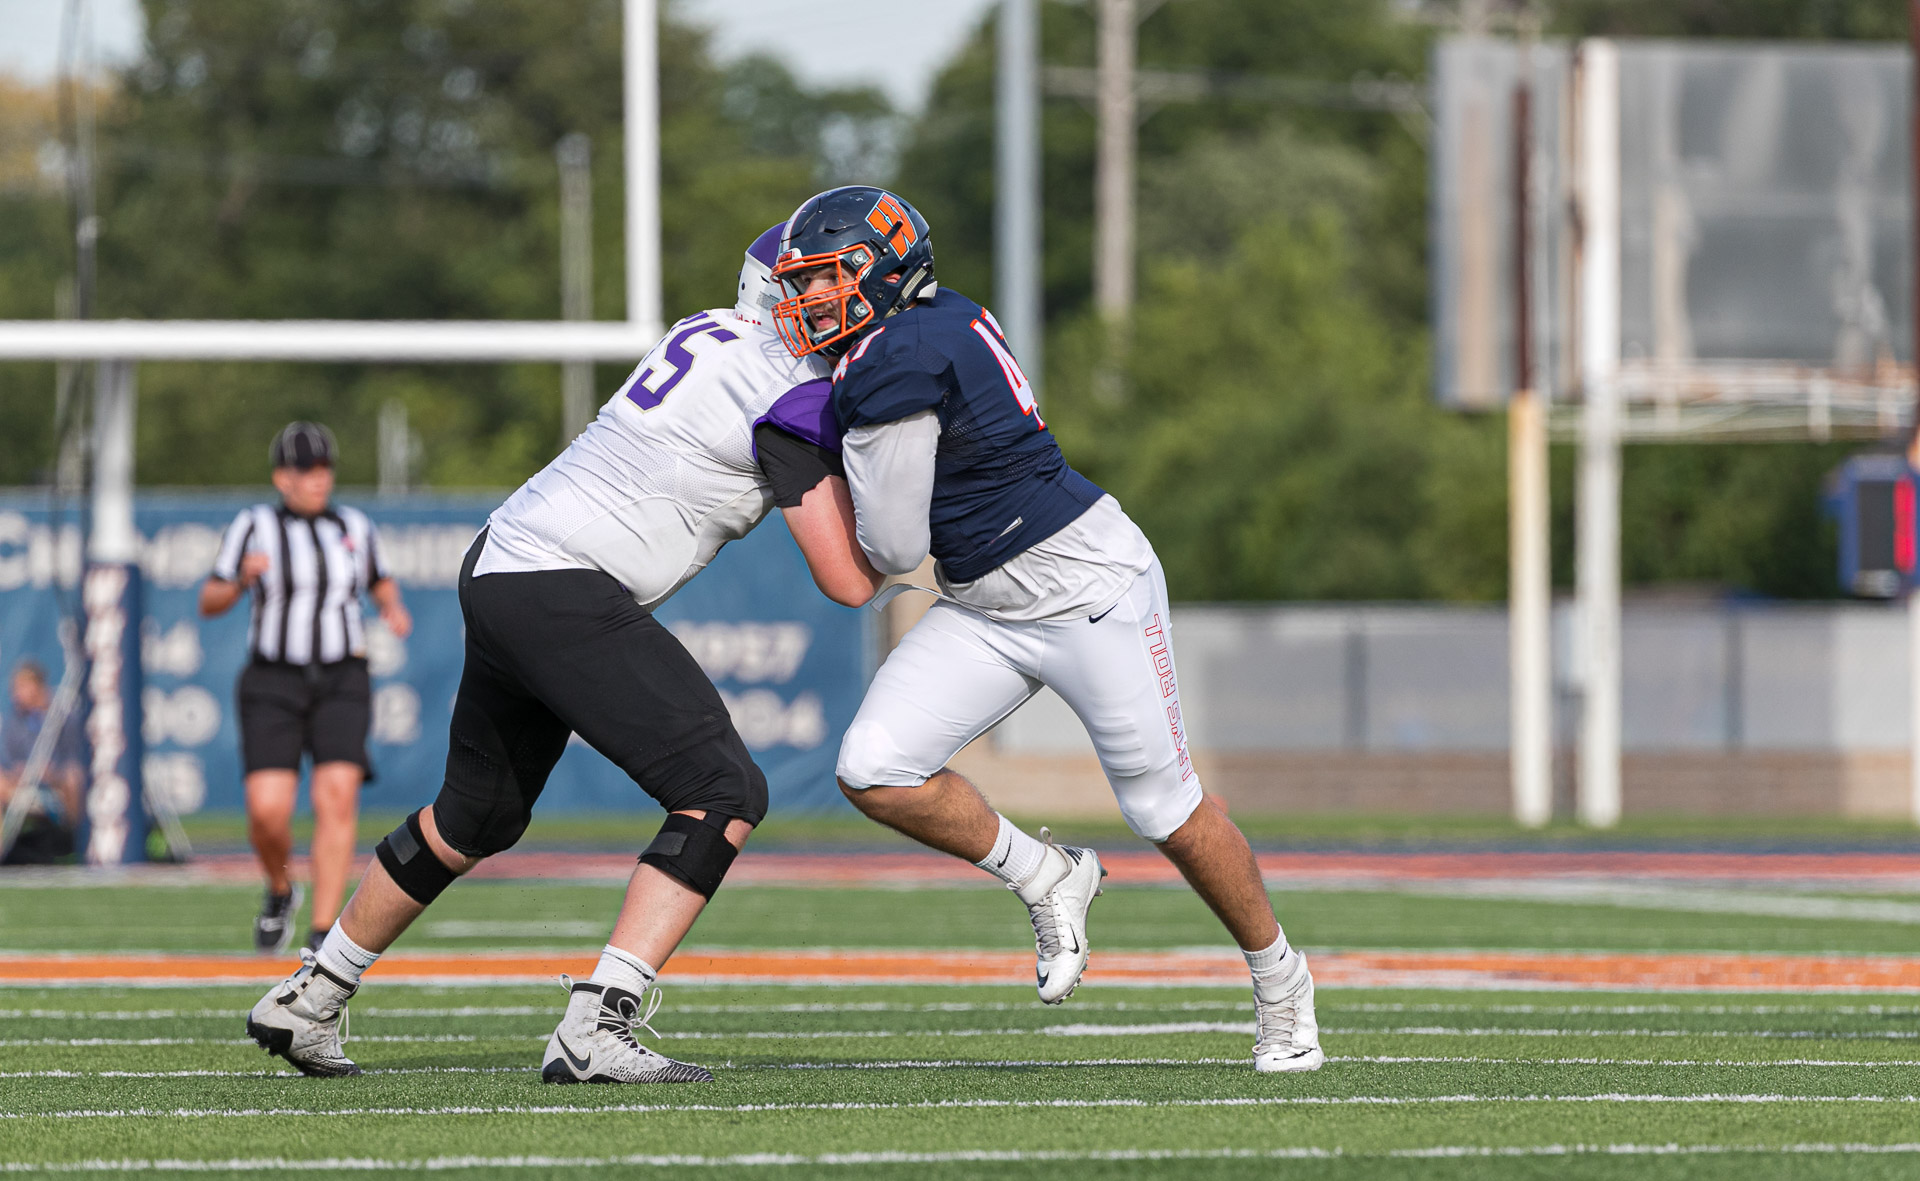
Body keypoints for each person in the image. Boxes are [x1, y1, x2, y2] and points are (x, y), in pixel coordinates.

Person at [242, 226, 880, 1081]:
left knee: (476, 817)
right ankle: (597, 1024)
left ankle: (310, 998)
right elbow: (846, 580)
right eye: (827, 283)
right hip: (562, 581)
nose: (842, 301)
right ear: (780, 291)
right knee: (723, 789)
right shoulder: (787, 389)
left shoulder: (709, 332)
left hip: (504, 558)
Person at [769, 186, 1323, 1072]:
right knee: (873, 767)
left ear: (880, 271)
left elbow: (894, 544)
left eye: (825, 278)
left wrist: (810, 457)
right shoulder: (924, 323)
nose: (805, 303)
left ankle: (1283, 982)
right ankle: (1047, 874)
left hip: (1088, 589)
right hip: (986, 602)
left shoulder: (895, 356)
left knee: (1166, 808)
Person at [200, 423, 412, 953]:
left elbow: (378, 577)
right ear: (282, 478)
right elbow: (209, 599)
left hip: (342, 674)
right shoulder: (252, 526)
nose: (318, 480)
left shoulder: (355, 526)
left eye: (324, 469)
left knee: (336, 796)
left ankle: (322, 938)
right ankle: (279, 888)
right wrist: (241, 580)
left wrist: (391, 604)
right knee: (268, 811)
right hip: (274, 677)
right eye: (306, 470)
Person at [0, 658, 85, 864]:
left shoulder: (63, 718)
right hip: (25, 786)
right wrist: (20, 773)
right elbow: (10, 763)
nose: (16, 694)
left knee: (74, 778)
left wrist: (51, 773)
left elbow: (75, 760)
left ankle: (80, 842)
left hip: (57, 786)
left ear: (38, 687)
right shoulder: (15, 723)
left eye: (21, 687)